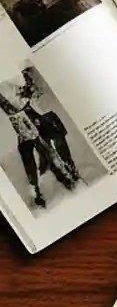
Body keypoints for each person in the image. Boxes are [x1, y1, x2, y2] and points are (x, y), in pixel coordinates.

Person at [0, 69, 77, 208]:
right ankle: (40, 187)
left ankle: (67, 172)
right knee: (32, 150)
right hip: (19, 119)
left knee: (49, 143)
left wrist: (27, 88)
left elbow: (28, 82)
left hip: (31, 111)